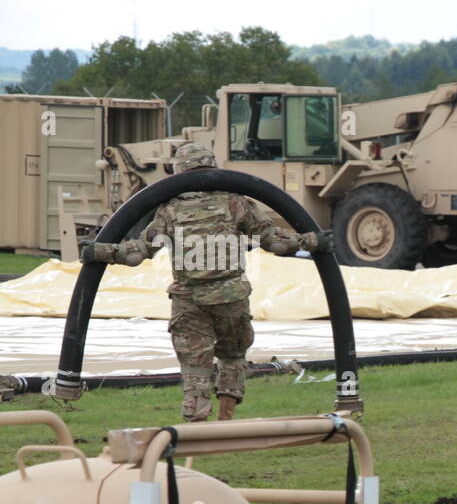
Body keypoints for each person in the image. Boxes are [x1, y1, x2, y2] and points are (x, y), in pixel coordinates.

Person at [80, 142, 329, 421]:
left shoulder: (171, 209)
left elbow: (139, 251)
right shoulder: (235, 202)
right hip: (231, 297)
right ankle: (226, 422)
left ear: (179, 172)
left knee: (195, 369)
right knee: (233, 357)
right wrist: (312, 241)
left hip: (189, 301)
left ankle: (196, 432)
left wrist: (100, 251)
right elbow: (273, 241)